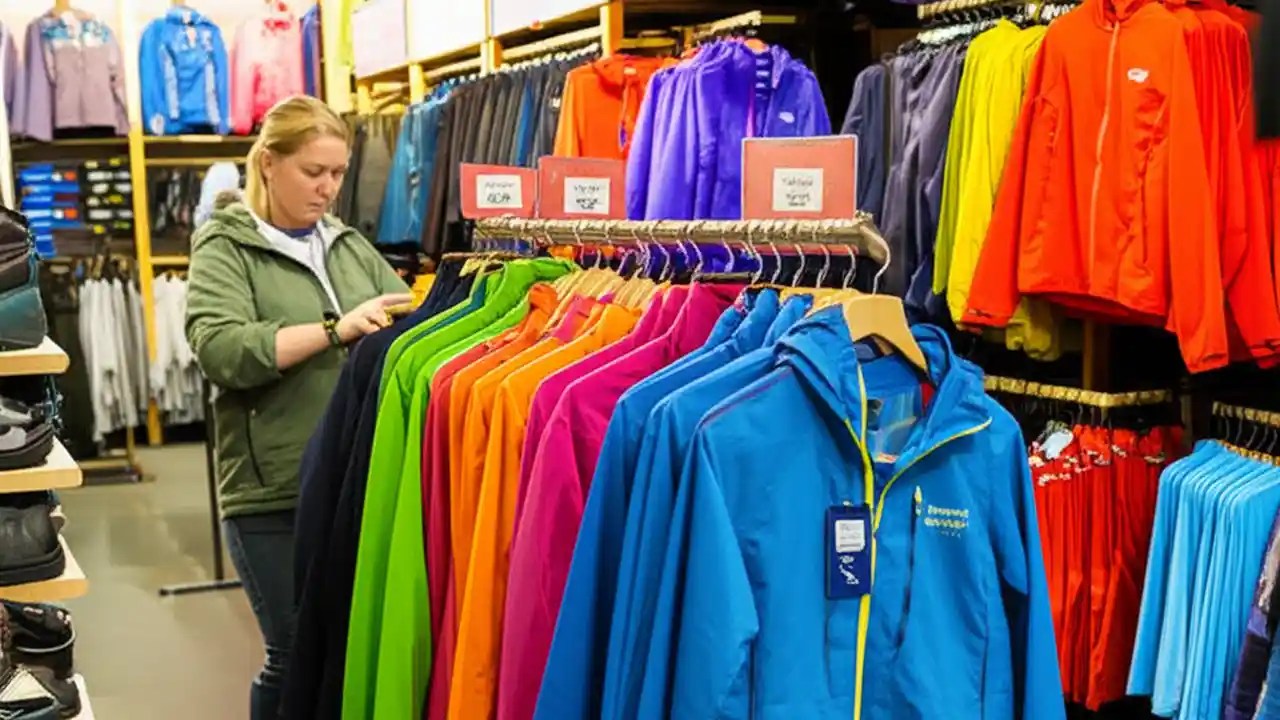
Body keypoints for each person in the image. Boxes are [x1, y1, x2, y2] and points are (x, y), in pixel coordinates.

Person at [184, 95, 411, 720]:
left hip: (349, 478)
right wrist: (335, 329)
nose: (329, 188)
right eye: (314, 172)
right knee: (289, 652)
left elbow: (402, 311)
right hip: (272, 488)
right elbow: (222, 350)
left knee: (338, 648)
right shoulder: (225, 248)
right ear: (268, 162)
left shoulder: (345, 244)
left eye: (338, 173)